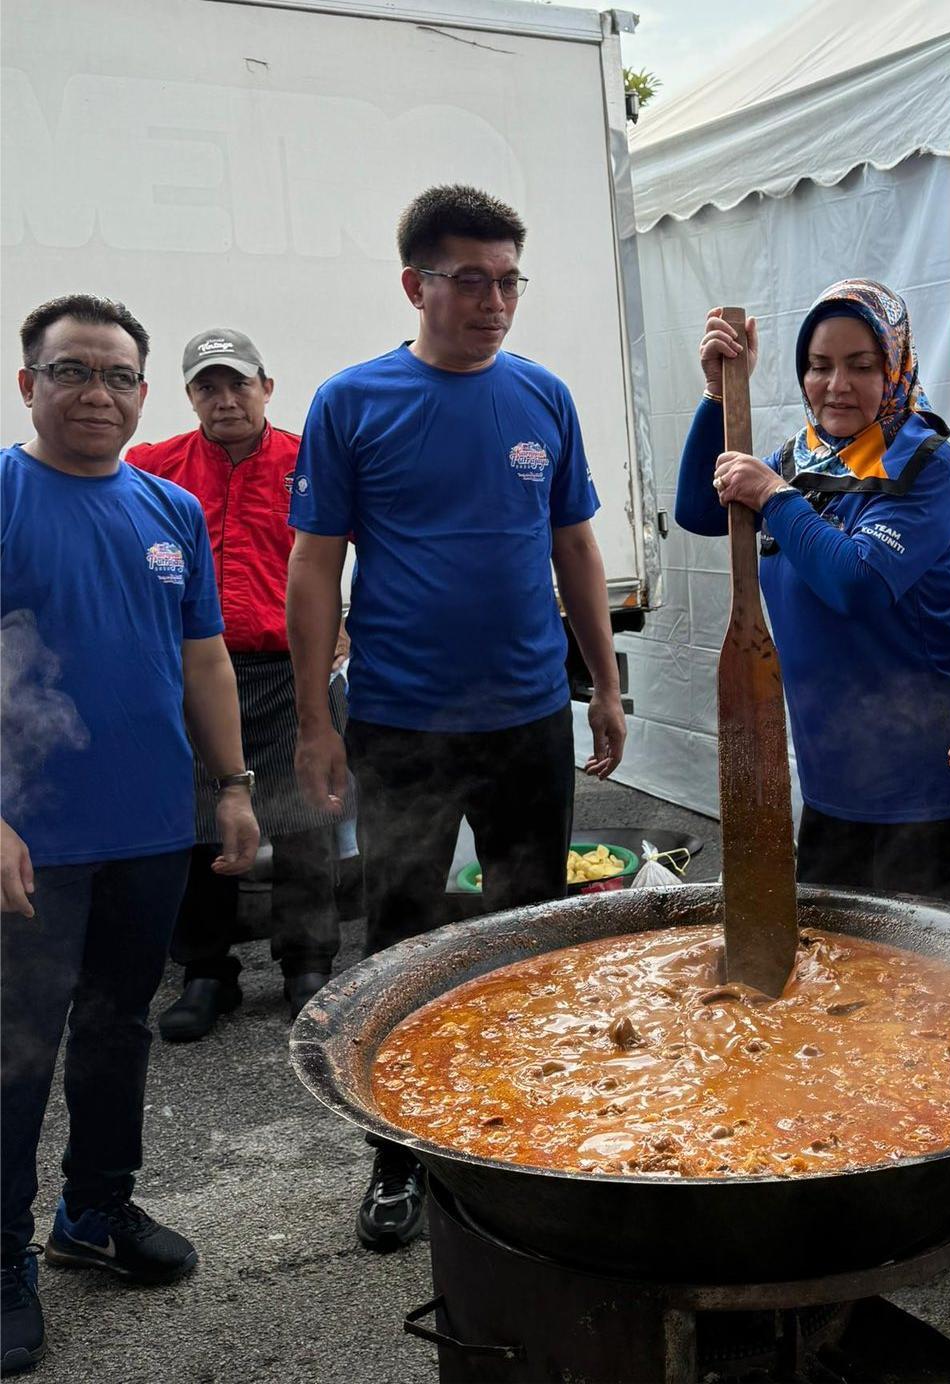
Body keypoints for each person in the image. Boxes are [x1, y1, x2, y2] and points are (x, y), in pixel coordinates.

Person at [285, 184, 626, 1253]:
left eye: (509, 279)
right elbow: (315, 566)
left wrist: (604, 685)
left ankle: (523, 1133)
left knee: (533, 935)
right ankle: (400, 1157)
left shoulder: (543, 398)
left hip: (529, 715)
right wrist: (312, 721)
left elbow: (575, 548)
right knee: (400, 938)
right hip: (403, 721)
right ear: (415, 285)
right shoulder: (355, 401)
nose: (494, 300)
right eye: (470, 279)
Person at [0, 295, 260, 1375]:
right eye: (72, 372)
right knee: (15, 1053)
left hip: (152, 824)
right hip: (30, 840)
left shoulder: (169, 511)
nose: (96, 392)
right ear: (29, 384)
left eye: (116, 375)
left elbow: (205, 659)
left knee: (118, 1029)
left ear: (143, 393)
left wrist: (236, 787)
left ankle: (94, 1214)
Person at [673, 280, 950, 903]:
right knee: (830, 984)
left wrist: (773, 497)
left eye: (861, 365)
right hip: (832, 784)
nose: (836, 385)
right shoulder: (802, 458)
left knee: (921, 994)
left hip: (924, 790)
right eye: (820, 366)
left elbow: (858, 583)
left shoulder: (925, 466)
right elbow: (699, 511)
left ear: (895, 367)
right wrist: (717, 397)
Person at [128, 328, 349, 1037]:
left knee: (307, 817)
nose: (224, 400)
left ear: (267, 386)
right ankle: (206, 972)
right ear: (188, 395)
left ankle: (308, 963)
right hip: (195, 675)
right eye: (207, 387)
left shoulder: (309, 462)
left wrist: (356, 627)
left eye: (238, 384)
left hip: (294, 670)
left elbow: (375, 546)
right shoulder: (152, 467)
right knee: (199, 827)